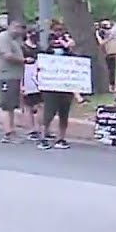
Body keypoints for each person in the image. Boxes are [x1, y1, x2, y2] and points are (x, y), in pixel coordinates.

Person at [38, 19, 77, 150]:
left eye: (61, 30)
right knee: (49, 112)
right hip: (51, 85)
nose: (59, 33)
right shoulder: (48, 49)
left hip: (65, 83)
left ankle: (61, 138)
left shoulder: (68, 48)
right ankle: (43, 136)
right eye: (56, 30)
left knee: (64, 112)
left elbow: (74, 58)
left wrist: (68, 45)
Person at [0, 19, 28, 143]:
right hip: (5, 77)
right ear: (13, 27)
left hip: (14, 77)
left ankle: (12, 131)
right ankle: (8, 133)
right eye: (19, 28)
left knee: (11, 106)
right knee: (6, 106)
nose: (21, 31)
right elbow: (7, 56)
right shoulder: (3, 38)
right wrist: (24, 61)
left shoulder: (15, 40)